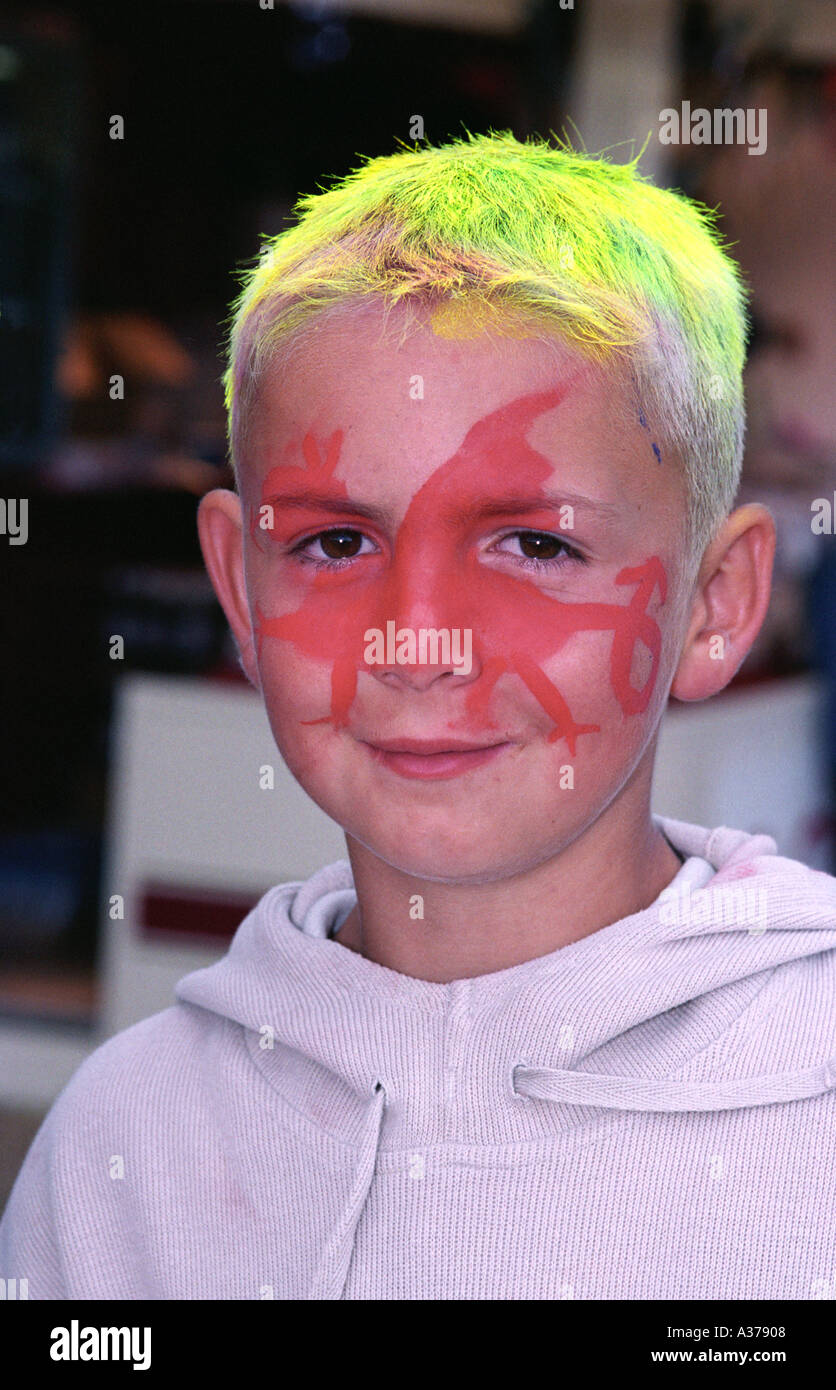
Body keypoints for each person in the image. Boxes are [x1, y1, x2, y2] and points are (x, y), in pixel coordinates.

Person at [3, 131, 836, 1300]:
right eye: (335, 543)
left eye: (535, 543)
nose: (419, 639)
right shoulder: (125, 1146)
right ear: (241, 588)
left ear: (714, 602)